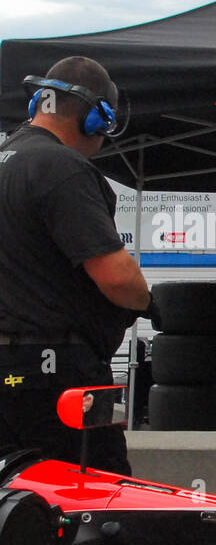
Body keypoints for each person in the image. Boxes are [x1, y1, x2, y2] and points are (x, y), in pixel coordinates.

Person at [0, 56, 153, 474]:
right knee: (99, 497)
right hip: (60, 373)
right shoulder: (63, 168)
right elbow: (119, 280)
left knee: (14, 504)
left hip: (11, 372)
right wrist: (149, 303)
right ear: (95, 119)